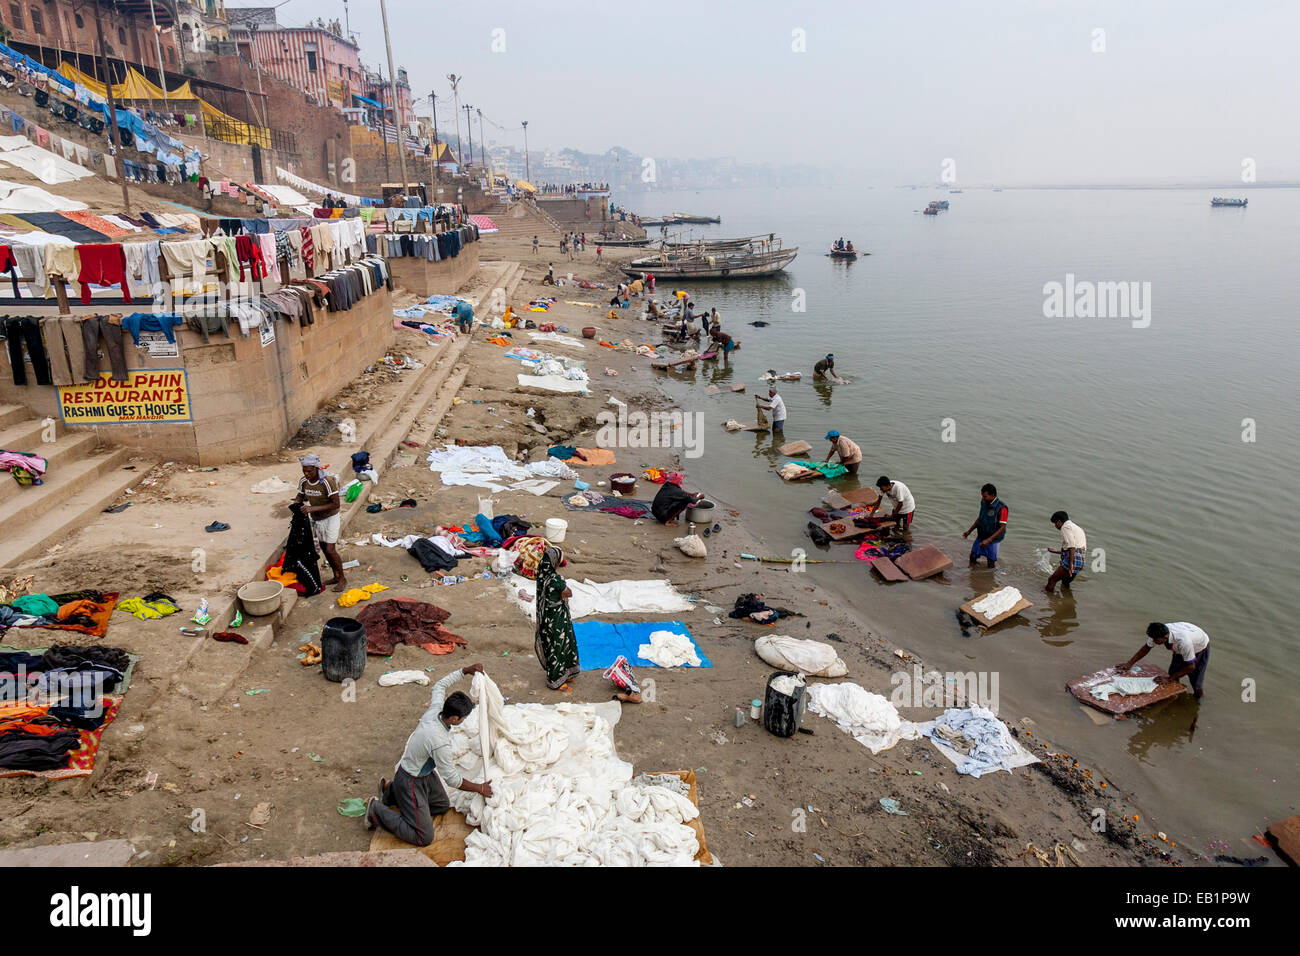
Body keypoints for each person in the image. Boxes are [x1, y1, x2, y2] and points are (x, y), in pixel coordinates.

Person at [365, 663, 495, 843]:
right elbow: (452, 779)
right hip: (411, 779)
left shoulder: (436, 710)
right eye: (464, 718)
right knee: (423, 836)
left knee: (441, 805)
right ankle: (375, 810)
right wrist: (480, 788)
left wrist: (464, 671)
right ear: (455, 718)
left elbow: (440, 686)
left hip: (421, 772)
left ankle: (391, 790)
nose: (465, 720)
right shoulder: (439, 741)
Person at [291, 454, 346, 591]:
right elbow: (300, 495)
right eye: (304, 471)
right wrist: (297, 503)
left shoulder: (326, 482)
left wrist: (312, 508)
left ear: (316, 468)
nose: (307, 474)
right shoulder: (304, 481)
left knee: (330, 549)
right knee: (323, 547)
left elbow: (336, 504)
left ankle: (343, 578)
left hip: (331, 517)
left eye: (309, 471)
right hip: (316, 519)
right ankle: (335, 575)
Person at [1118, 622, 1211, 700]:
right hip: (1183, 642)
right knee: (1173, 672)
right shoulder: (1157, 632)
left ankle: (1198, 700)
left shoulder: (1183, 642)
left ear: (1165, 637)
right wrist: (1129, 663)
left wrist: (1168, 679)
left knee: (1195, 680)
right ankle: (1176, 696)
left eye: (1156, 640)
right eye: (1153, 639)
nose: (1154, 641)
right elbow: (1147, 647)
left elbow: (1191, 667)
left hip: (1199, 646)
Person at [535, 547, 581, 689]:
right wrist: (563, 594)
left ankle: (566, 673)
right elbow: (569, 592)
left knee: (555, 644)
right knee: (559, 645)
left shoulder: (542, 575)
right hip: (557, 618)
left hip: (546, 617)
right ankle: (556, 680)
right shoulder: (556, 578)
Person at [964, 483, 1008, 567]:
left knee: (990, 562)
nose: (982, 498)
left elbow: (1002, 528)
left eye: (985, 496)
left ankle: (990, 578)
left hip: (993, 538)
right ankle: (973, 574)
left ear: (992, 495)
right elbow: (980, 518)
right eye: (982, 496)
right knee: (972, 556)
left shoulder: (1002, 508)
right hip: (982, 535)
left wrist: (989, 540)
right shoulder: (984, 502)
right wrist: (969, 531)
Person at [1045, 510, 1087, 593]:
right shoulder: (1077, 528)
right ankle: (1068, 602)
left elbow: (1072, 546)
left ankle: (1048, 600)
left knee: (1052, 579)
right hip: (1080, 560)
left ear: (1059, 521)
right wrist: (1057, 551)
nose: (1055, 526)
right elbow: (1077, 548)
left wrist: (1071, 563)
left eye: (1055, 523)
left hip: (1073, 559)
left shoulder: (1065, 527)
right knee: (1065, 583)